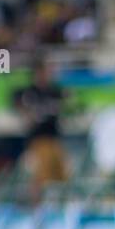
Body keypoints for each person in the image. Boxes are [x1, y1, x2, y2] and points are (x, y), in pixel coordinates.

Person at [9, 56, 70, 205]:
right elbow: (22, 112)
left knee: (61, 175)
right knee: (38, 177)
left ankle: (58, 205)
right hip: (37, 142)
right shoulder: (28, 93)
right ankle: (36, 207)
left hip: (53, 139)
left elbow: (66, 108)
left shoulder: (55, 91)